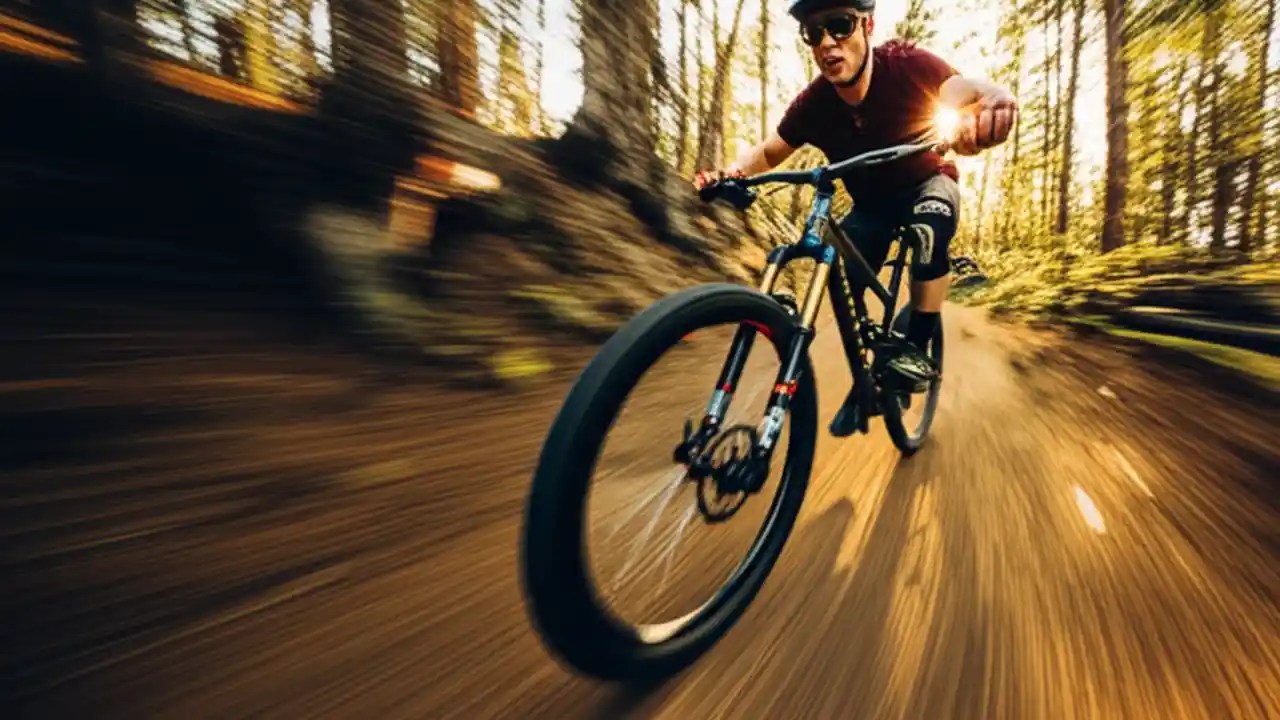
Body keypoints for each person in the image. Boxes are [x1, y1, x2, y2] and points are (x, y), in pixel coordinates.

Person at [692, 0, 1017, 437]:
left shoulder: (905, 64)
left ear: (868, 25)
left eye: (840, 25)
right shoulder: (815, 103)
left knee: (929, 229)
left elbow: (960, 90)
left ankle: (913, 349)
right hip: (871, 205)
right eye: (813, 33)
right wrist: (729, 174)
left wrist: (993, 96)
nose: (827, 42)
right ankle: (866, 379)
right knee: (840, 274)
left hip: (927, 183)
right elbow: (770, 152)